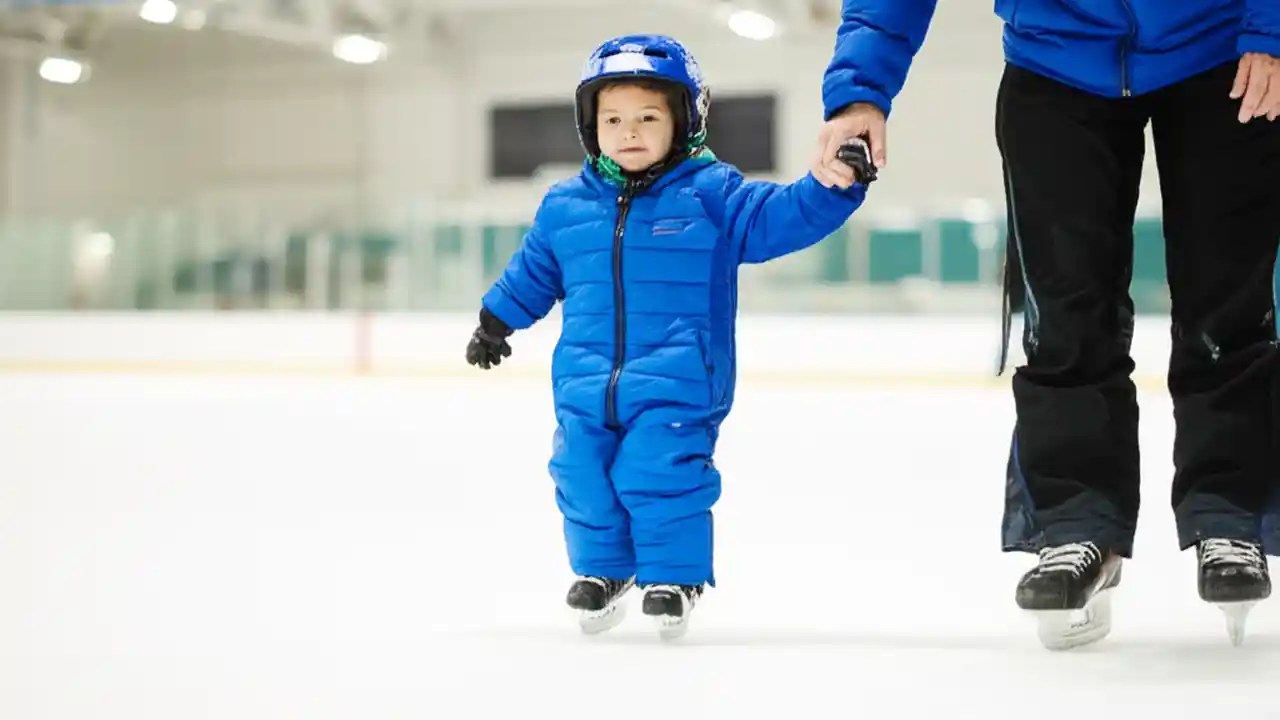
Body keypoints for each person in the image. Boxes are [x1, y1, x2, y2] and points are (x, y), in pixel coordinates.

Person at [817, 0, 1280, 649]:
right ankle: (1076, 522)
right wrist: (859, 90)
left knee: (1228, 312)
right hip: (1054, 58)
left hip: (1225, 48)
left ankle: (1230, 513)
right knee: (1065, 317)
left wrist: (1272, 27)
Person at [464, 34, 872, 639]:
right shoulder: (565, 205)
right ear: (590, 125)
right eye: (613, 118)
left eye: (648, 117)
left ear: (684, 121)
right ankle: (603, 569)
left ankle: (673, 574)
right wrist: (496, 320)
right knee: (579, 468)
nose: (628, 131)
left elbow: (782, 216)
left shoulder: (712, 195)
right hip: (583, 378)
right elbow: (534, 271)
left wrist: (836, 183)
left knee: (658, 468)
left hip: (680, 375)